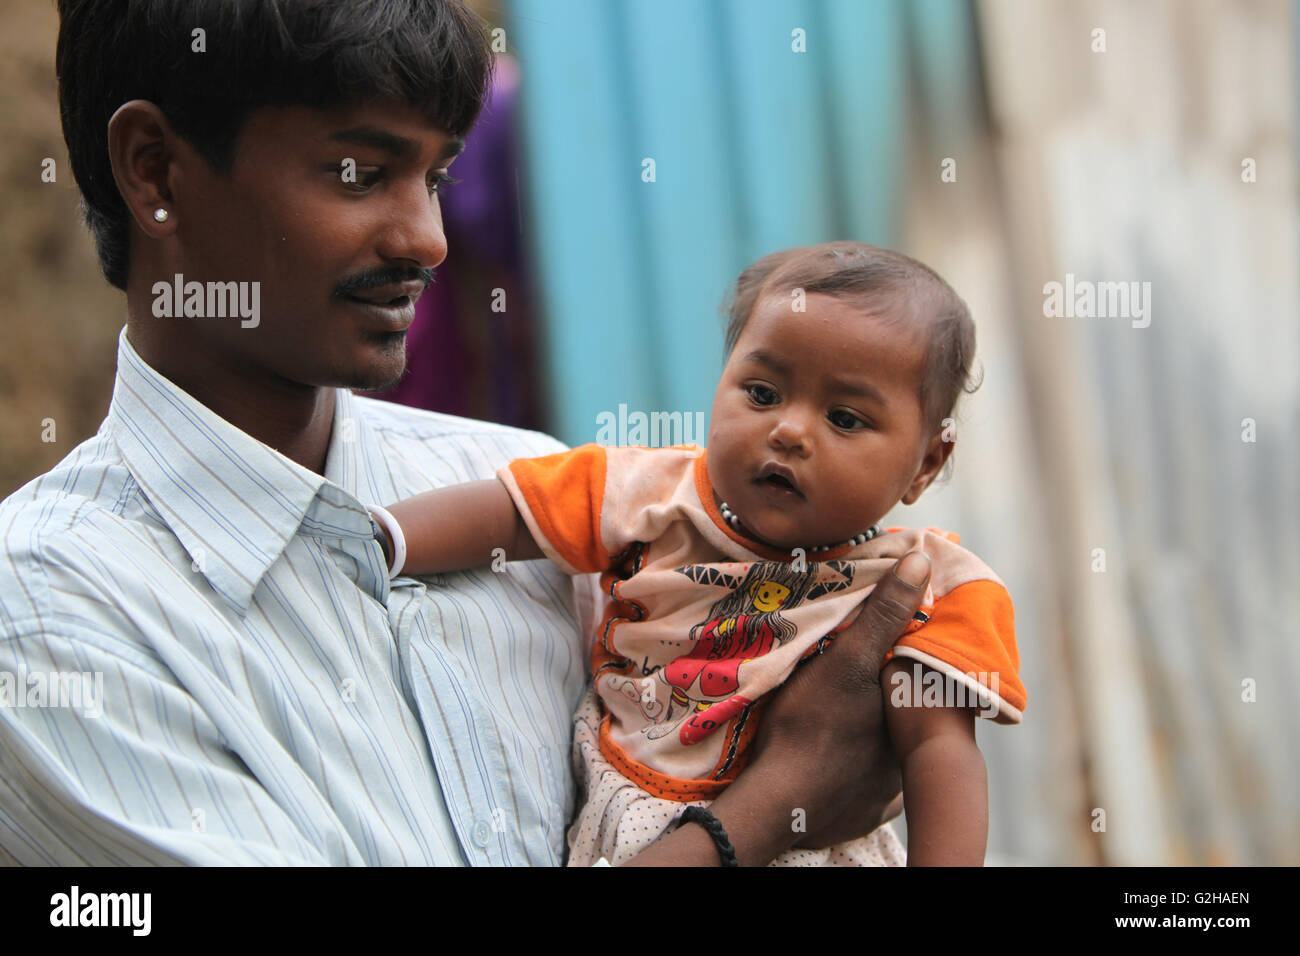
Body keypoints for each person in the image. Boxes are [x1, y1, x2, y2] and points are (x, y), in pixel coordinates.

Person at [0, 0, 927, 866]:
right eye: (360, 173)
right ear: (156, 170)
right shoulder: (50, 614)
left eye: (435, 176)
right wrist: (775, 806)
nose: (429, 237)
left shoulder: (531, 504)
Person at [378, 243, 1026, 866]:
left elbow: (941, 753)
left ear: (926, 463)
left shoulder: (936, 588)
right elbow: (508, 513)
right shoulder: (649, 492)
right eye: (763, 393)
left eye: (846, 418)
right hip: (623, 817)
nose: (789, 430)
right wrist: (380, 540)